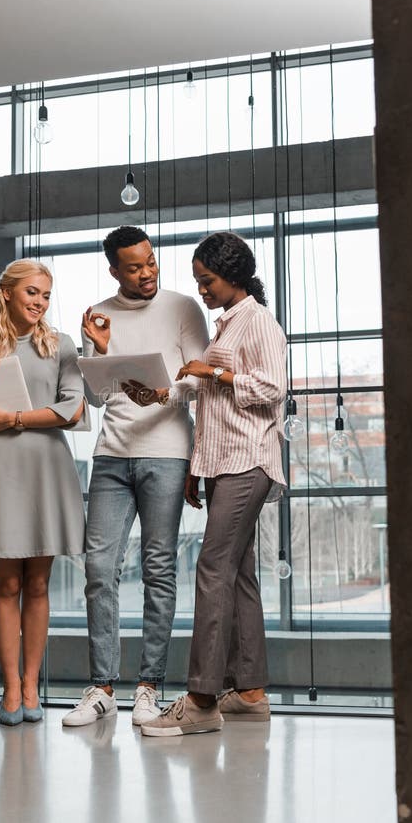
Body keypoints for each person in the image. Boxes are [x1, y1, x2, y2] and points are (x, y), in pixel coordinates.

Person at [141, 231, 287, 737]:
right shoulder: (226, 328)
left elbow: (273, 387)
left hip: (250, 462)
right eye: (198, 282)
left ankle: (202, 699)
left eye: (206, 281)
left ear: (233, 277)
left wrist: (217, 376)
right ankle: (249, 693)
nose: (200, 290)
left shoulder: (257, 322)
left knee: (213, 567)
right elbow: (201, 391)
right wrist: (196, 468)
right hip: (225, 463)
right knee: (238, 574)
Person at [62, 226, 209, 728]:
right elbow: (101, 397)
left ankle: (148, 687)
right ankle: (102, 688)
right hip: (112, 454)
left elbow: (200, 376)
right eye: (134, 267)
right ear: (114, 271)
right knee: (99, 569)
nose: (147, 273)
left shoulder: (183, 307)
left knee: (159, 569)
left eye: (151, 261)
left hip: (167, 452)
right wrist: (98, 348)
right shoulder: (99, 314)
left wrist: (165, 395)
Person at [0, 259, 87, 726]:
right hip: (4, 470)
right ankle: (11, 687)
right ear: (7, 293)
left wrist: (12, 419)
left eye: (46, 295)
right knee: (6, 584)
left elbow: (72, 409)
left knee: (38, 583)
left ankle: (33, 683)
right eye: (32, 292)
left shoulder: (62, 346)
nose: (40, 303)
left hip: (48, 466)